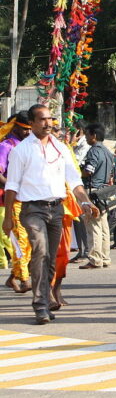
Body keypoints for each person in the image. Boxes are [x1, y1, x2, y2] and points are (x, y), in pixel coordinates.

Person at [2, 104, 99, 324]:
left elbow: (74, 181)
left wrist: (85, 202)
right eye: (43, 120)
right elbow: (12, 186)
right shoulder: (21, 150)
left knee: (52, 259)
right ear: (33, 123)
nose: (48, 123)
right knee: (41, 252)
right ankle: (40, 306)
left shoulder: (61, 148)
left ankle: (45, 298)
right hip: (32, 209)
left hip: (56, 208)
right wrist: (8, 218)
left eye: (50, 119)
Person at [0, 112, 32, 293]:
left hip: (31, 199)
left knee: (29, 242)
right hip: (15, 200)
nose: (28, 133)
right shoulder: (5, 146)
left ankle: (13, 276)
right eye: (25, 129)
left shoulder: (30, 145)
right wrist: (15, 188)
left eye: (30, 129)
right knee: (20, 238)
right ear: (16, 126)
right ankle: (25, 278)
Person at [79, 123, 114, 270]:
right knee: (103, 226)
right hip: (103, 191)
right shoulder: (107, 151)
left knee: (93, 225)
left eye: (87, 135)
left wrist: (78, 170)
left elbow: (89, 171)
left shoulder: (93, 151)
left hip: (92, 191)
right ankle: (105, 257)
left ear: (93, 135)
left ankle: (94, 259)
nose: (86, 137)